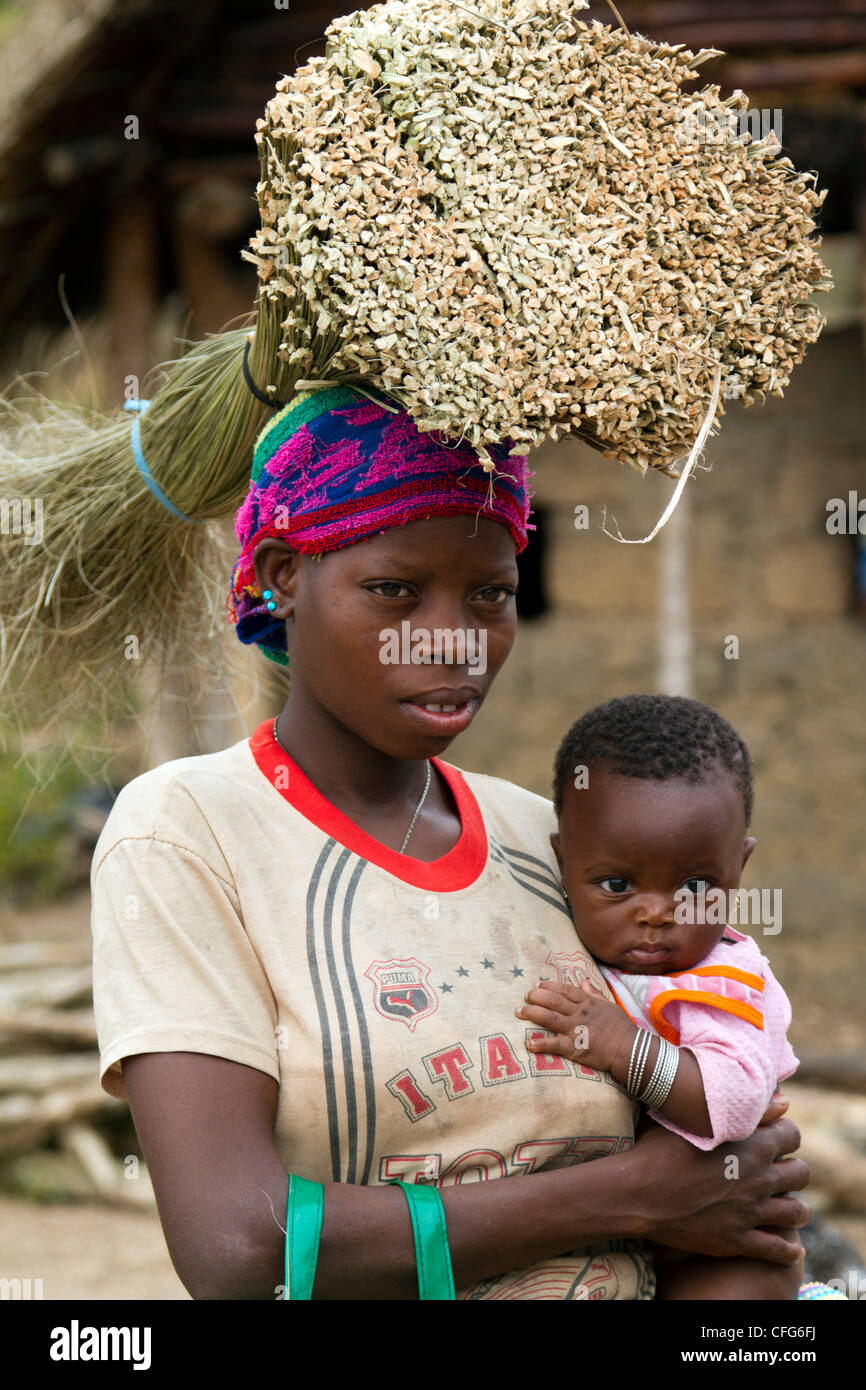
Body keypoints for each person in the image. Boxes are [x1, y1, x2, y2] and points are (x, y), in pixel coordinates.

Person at [89, 388, 809, 1300]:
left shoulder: (554, 842)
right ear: (280, 574)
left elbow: (720, 1165)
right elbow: (240, 1249)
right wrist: (629, 1197)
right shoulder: (189, 835)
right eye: (395, 590)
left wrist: (722, 1179)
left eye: (490, 596)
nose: (454, 641)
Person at [516, 693, 804, 1298]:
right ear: (563, 861)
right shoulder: (567, 941)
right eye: (617, 884)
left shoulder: (719, 979)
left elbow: (732, 1104)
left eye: (696, 885)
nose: (657, 913)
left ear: (740, 867)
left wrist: (625, 1047)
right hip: (625, 1239)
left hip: (727, 1258)